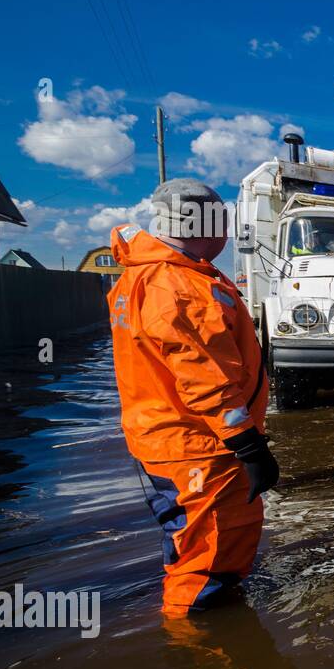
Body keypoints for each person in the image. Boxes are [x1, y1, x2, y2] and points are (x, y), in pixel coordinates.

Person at [107, 179, 279, 617]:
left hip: (170, 439)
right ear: (205, 223)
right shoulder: (178, 286)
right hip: (198, 448)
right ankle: (202, 658)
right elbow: (206, 378)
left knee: (200, 544)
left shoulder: (145, 276)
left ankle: (216, 621)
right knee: (205, 559)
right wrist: (248, 444)